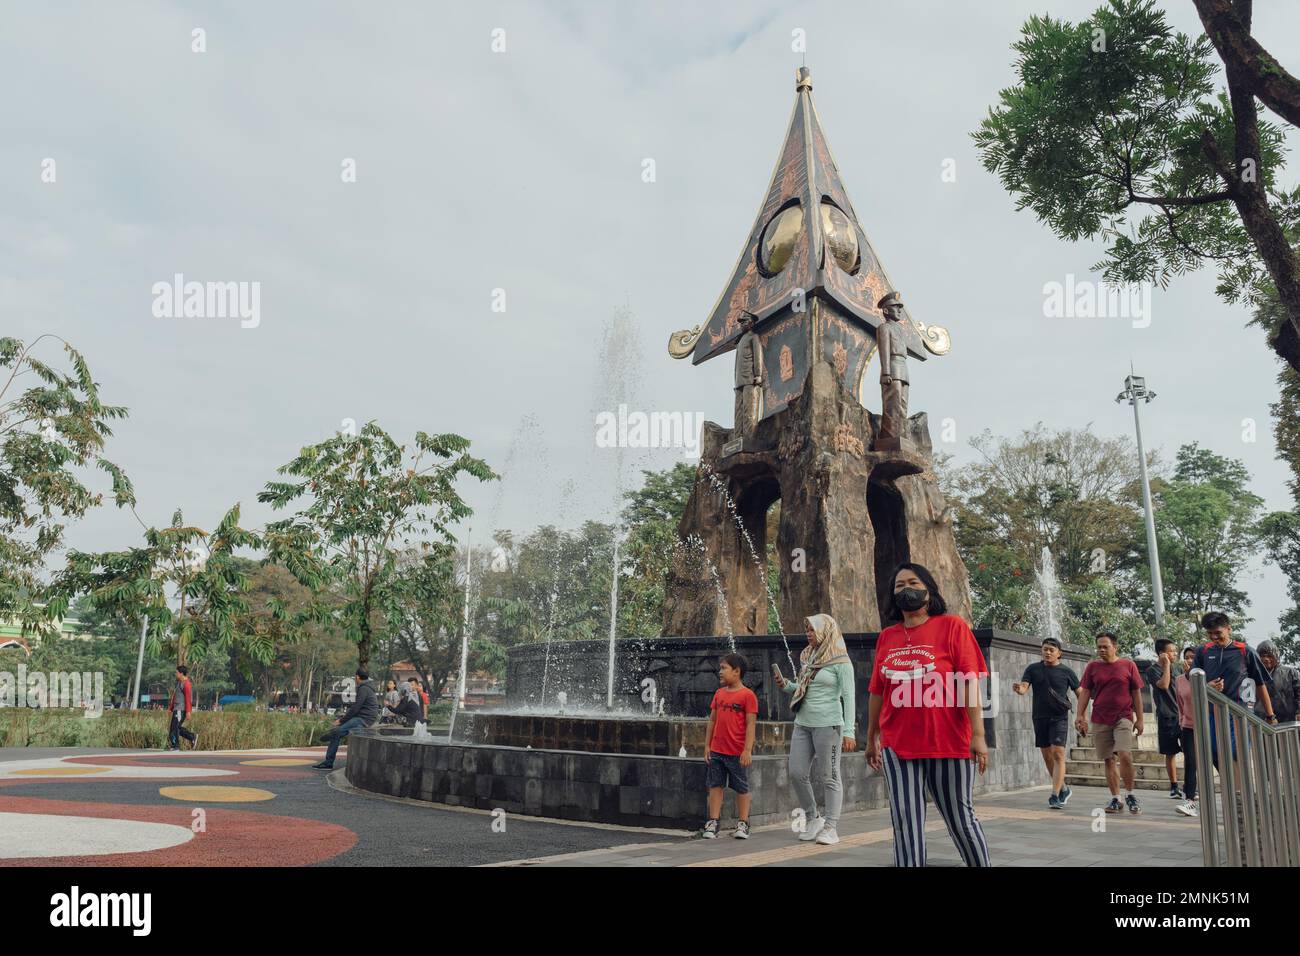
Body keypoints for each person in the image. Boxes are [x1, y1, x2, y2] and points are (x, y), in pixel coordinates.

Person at [865, 563, 991, 867]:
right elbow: (877, 691)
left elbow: (969, 680)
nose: (906, 589)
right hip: (898, 743)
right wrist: (871, 738)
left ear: (928, 590)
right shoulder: (887, 637)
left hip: (947, 740)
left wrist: (978, 734)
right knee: (906, 821)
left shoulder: (952, 626)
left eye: (912, 582)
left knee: (960, 819)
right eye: (898, 585)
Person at [773, 614, 856, 846]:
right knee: (797, 773)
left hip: (828, 724)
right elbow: (804, 689)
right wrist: (788, 685)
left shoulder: (841, 661)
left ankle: (831, 827)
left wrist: (849, 731)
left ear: (825, 631)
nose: (808, 634)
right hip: (803, 722)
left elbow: (849, 697)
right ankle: (813, 818)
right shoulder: (808, 657)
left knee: (830, 776)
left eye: (812, 630)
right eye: (806, 630)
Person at [1192, 612, 1277, 769]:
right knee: (1214, 752)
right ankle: (1231, 790)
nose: (1214, 637)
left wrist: (1270, 715)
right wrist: (1206, 687)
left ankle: (1240, 792)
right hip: (1212, 712)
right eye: (1210, 633)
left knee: (1235, 753)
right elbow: (1193, 682)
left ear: (1229, 629)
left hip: (1239, 712)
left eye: (1218, 633)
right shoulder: (1203, 651)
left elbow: (1260, 684)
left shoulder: (1246, 651)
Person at [1075, 633, 1144, 815]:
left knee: (1124, 753)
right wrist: (1079, 715)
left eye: (1105, 646)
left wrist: (1140, 719)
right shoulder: (1093, 667)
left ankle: (1130, 794)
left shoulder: (1128, 665)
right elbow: (1085, 691)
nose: (1101, 650)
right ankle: (1116, 798)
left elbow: (1136, 692)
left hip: (1124, 716)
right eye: (1099, 647)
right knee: (1108, 758)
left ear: (1115, 647)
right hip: (1100, 717)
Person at [1012, 636, 1079, 809]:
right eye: (1045, 649)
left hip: (1059, 717)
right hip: (1040, 717)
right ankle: (1063, 788)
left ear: (1059, 653)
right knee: (1048, 756)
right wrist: (1019, 689)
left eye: (1051, 650)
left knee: (1058, 753)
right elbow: (1024, 687)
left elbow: (1080, 693)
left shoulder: (1067, 672)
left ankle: (1054, 795)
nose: (1047, 652)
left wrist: (1082, 716)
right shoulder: (1033, 669)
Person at [700, 653, 758, 840]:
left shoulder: (748, 695)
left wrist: (747, 749)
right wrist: (707, 746)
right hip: (717, 750)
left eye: (724, 668)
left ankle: (743, 823)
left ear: (737, 671)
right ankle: (713, 822)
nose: (720, 672)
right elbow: (712, 721)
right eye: (720, 668)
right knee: (715, 785)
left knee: (741, 787)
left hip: (736, 752)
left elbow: (751, 724)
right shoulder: (719, 693)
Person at [313, 668, 379, 770]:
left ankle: (328, 741)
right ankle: (328, 761)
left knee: (336, 732)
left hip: (363, 719)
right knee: (336, 734)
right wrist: (344, 718)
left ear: (357, 677)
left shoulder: (364, 688)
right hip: (364, 718)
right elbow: (356, 708)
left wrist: (341, 720)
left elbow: (356, 708)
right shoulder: (367, 687)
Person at [1145, 638, 1184, 799]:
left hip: (1183, 715)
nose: (1174, 654)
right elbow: (1163, 685)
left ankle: (1190, 785)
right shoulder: (1152, 670)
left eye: (1175, 651)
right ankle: (1174, 786)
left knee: (1190, 751)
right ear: (1162, 653)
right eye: (1171, 651)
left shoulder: (1178, 669)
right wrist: (1166, 665)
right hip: (1166, 716)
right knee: (1170, 752)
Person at [1173, 646, 1200, 817]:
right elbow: (1180, 703)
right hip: (1188, 727)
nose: (1189, 660)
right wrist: (1182, 721)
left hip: (1209, 727)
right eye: (1187, 657)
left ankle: (1236, 795)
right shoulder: (1180, 680)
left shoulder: (1207, 678)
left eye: (1193, 657)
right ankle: (1189, 800)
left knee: (1218, 761)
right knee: (1191, 762)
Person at [1255, 640, 1298, 724]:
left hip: (1288, 720)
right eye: (1263, 656)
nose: (1267, 659)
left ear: (1276, 656)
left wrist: (1298, 711)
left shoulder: (1290, 672)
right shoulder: (1254, 675)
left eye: (1270, 656)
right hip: (1263, 721)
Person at [166, 665, 198, 751]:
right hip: (176, 709)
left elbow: (188, 699)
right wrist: (171, 708)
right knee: (176, 728)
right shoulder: (179, 683)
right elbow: (175, 697)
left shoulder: (186, 684)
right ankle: (192, 737)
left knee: (175, 728)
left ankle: (176, 746)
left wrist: (188, 712)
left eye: (176, 672)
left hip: (181, 710)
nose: (175, 674)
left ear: (181, 673)